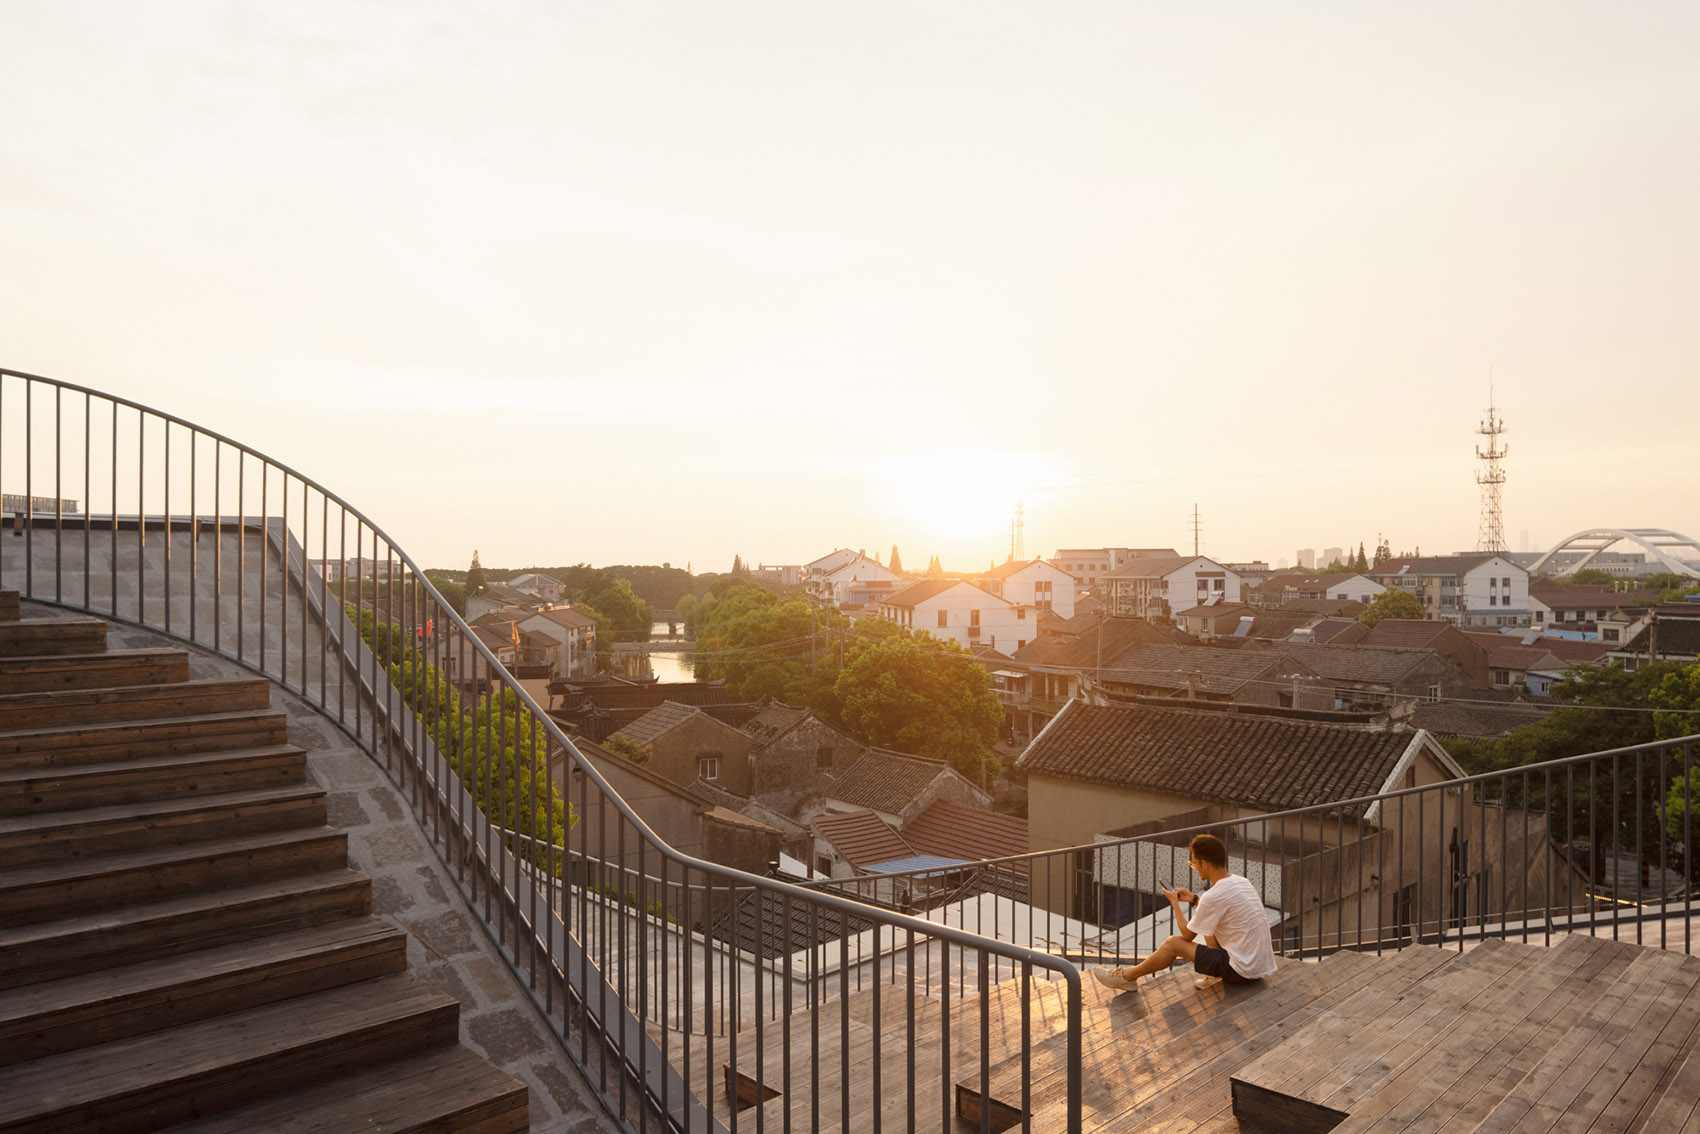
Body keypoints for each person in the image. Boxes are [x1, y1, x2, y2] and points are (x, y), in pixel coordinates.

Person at [1093, 833, 1277, 995]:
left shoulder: (1212, 896)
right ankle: (1213, 976)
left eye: (1194, 864)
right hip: (1260, 966)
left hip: (1242, 972)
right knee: (1209, 926)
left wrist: (1175, 903)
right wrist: (1195, 900)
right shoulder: (1241, 882)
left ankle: (1127, 977)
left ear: (1204, 864)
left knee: (1172, 943)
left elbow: (1187, 935)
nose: (1195, 868)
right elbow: (1217, 911)